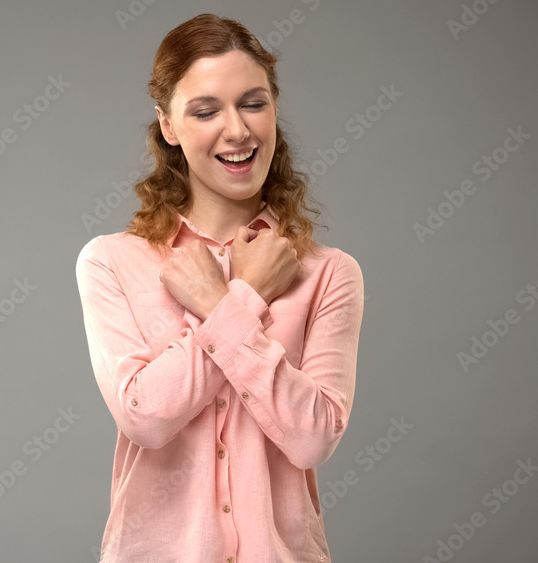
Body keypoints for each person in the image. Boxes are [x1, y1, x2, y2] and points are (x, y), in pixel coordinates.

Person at [75, 13, 365, 562]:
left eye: (253, 103)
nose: (237, 130)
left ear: (274, 109)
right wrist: (248, 298)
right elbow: (146, 417)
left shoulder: (329, 274)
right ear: (168, 126)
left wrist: (218, 304)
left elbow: (312, 439)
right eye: (206, 111)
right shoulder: (112, 262)